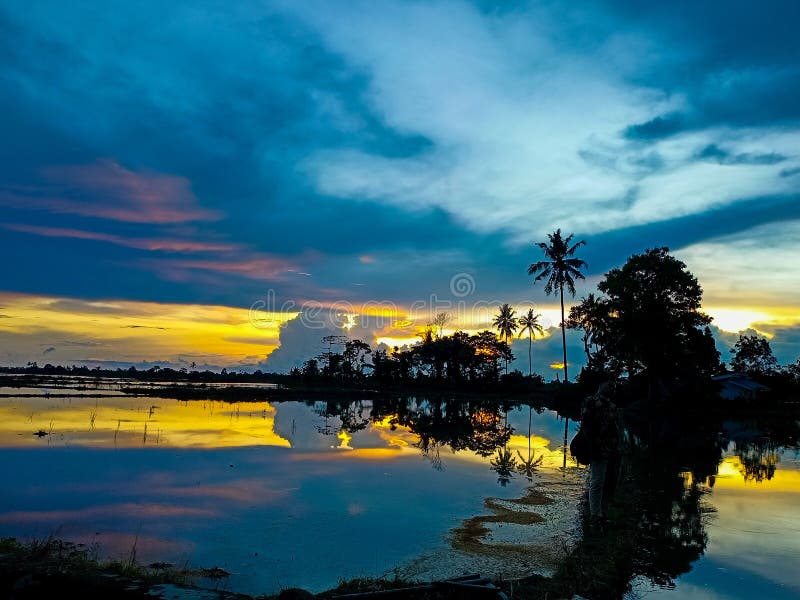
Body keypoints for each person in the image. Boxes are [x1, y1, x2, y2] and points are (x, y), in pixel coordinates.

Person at [580, 381, 622, 527]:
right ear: (600, 387)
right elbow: (585, 425)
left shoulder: (612, 406)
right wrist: (593, 445)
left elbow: (616, 428)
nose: (609, 388)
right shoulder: (591, 402)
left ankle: (602, 513)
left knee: (609, 483)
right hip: (598, 448)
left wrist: (618, 447)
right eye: (607, 385)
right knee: (598, 481)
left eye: (611, 387)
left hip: (612, 448)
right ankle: (595, 515)